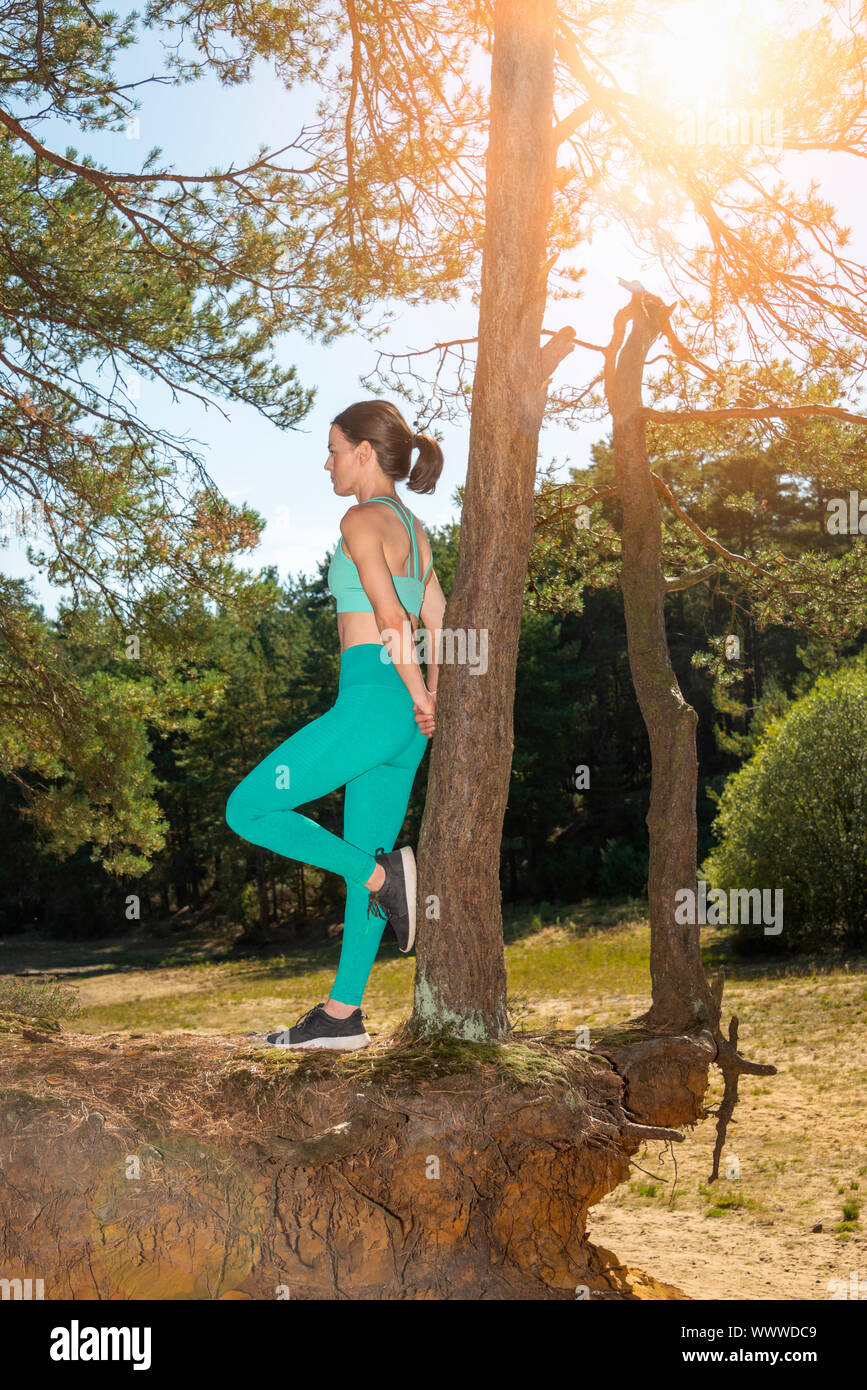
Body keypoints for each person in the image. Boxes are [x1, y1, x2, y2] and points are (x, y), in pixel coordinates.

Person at [225, 400, 447, 1049]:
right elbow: (440, 619)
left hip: (374, 703)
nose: (326, 462)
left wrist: (413, 691)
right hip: (405, 722)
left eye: (333, 449)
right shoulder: (415, 531)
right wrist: (430, 696)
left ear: (363, 453)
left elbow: (389, 618)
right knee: (367, 858)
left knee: (249, 808)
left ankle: (385, 878)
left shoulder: (358, 520)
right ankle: (342, 1015)